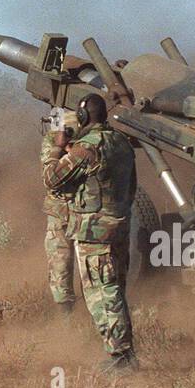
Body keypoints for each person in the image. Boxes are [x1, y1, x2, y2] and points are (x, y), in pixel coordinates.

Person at [42, 93, 138, 371]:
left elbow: (51, 180)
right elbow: (132, 187)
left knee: (102, 292)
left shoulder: (86, 148)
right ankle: (121, 353)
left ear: (83, 117)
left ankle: (120, 357)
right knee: (115, 289)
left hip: (94, 233)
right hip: (119, 226)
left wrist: (56, 146)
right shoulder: (122, 143)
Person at [41, 112, 78, 316]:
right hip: (59, 212)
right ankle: (67, 319)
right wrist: (61, 147)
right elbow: (50, 177)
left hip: (85, 211)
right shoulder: (52, 140)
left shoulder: (89, 143)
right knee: (60, 264)